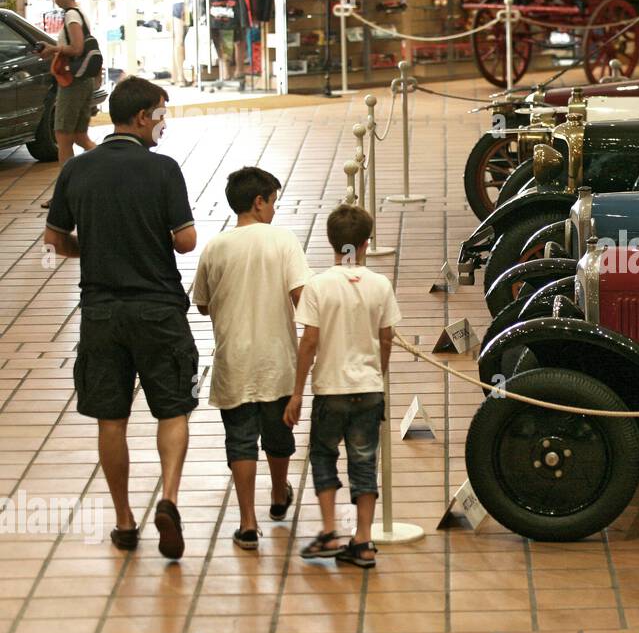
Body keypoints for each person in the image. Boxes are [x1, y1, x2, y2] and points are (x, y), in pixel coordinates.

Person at [43, 76, 196, 560]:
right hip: (158, 309)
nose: (163, 123)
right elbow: (186, 240)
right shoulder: (163, 170)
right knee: (172, 409)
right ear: (142, 117)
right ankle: (168, 498)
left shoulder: (77, 170)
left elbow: (56, 241)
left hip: (101, 312)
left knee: (112, 419)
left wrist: (95, 246)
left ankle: (125, 520)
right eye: (160, 113)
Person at [193, 168, 312, 550]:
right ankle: (279, 496)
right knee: (279, 436)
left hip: (234, 362)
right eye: (274, 201)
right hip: (277, 360)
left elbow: (202, 304)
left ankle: (247, 522)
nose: (275, 209)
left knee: (240, 441)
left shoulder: (215, 246)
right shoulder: (283, 241)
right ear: (258, 202)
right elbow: (302, 298)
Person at [285, 205, 399, 569]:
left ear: (331, 242)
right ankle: (363, 542)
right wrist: (378, 373)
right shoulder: (380, 284)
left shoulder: (317, 286)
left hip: (329, 389)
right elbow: (386, 337)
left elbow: (309, 342)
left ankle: (330, 531)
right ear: (367, 243)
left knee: (323, 456)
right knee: (364, 463)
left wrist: (297, 391)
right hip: (368, 390)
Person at [36, 0, 100, 208]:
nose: (54, 0)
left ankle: (64, 196)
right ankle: (107, 167)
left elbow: (77, 47)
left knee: (63, 138)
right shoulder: (80, 13)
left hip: (72, 84)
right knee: (79, 137)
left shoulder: (72, 15)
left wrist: (53, 48)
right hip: (83, 82)